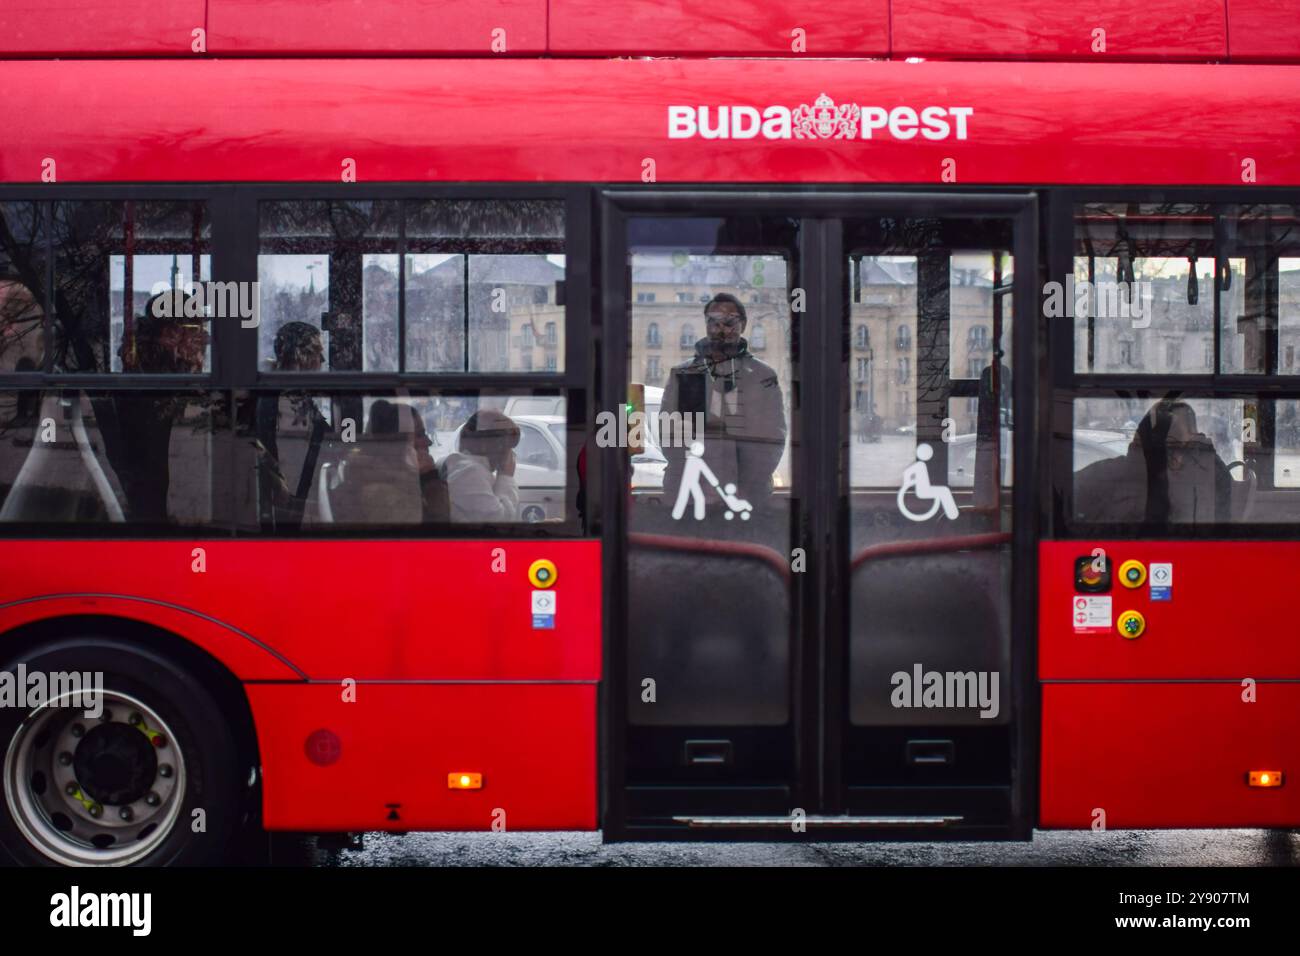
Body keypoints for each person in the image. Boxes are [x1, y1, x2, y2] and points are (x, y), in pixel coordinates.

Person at [660, 293, 786, 514]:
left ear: (742, 325)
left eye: (729, 322)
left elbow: (773, 438)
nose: (721, 329)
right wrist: (693, 483)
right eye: (713, 322)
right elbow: (672, 437)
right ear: (706, 324)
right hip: (690, 496)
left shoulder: (762, 376)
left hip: (747, 496)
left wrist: (747, 486)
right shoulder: (686, 373)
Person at [1074, 399, 1232, 525]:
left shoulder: (1202, 477)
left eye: (1183, 448)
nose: (1177, 457)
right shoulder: (1108, 478)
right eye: (1172, 448)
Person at [441, 409, 521, 522]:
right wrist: (506, 476)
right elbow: (499, 523)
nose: (509, 453)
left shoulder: (464, 467)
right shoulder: (469, 473)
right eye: (506, 445)